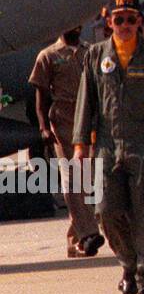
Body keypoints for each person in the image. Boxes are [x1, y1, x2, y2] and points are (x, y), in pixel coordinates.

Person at [72, 0, 144, 294]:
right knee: (106, 211)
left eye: (130, 19)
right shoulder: (96, 56)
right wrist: (80, 143)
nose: (124, 24)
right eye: (118, 19)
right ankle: (128, 264)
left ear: (140, 22)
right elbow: (87, 101)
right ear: (109, 23)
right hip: (109, 145)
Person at [29, 26, 102, 258]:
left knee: (87, 178)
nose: (75, 28)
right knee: (72, 178)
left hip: (89, 118)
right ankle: (89, 233)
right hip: (63, 119)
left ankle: (75, 239)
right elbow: (40, 97)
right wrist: (43, 128)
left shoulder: (92, 52)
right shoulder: (48, 56)